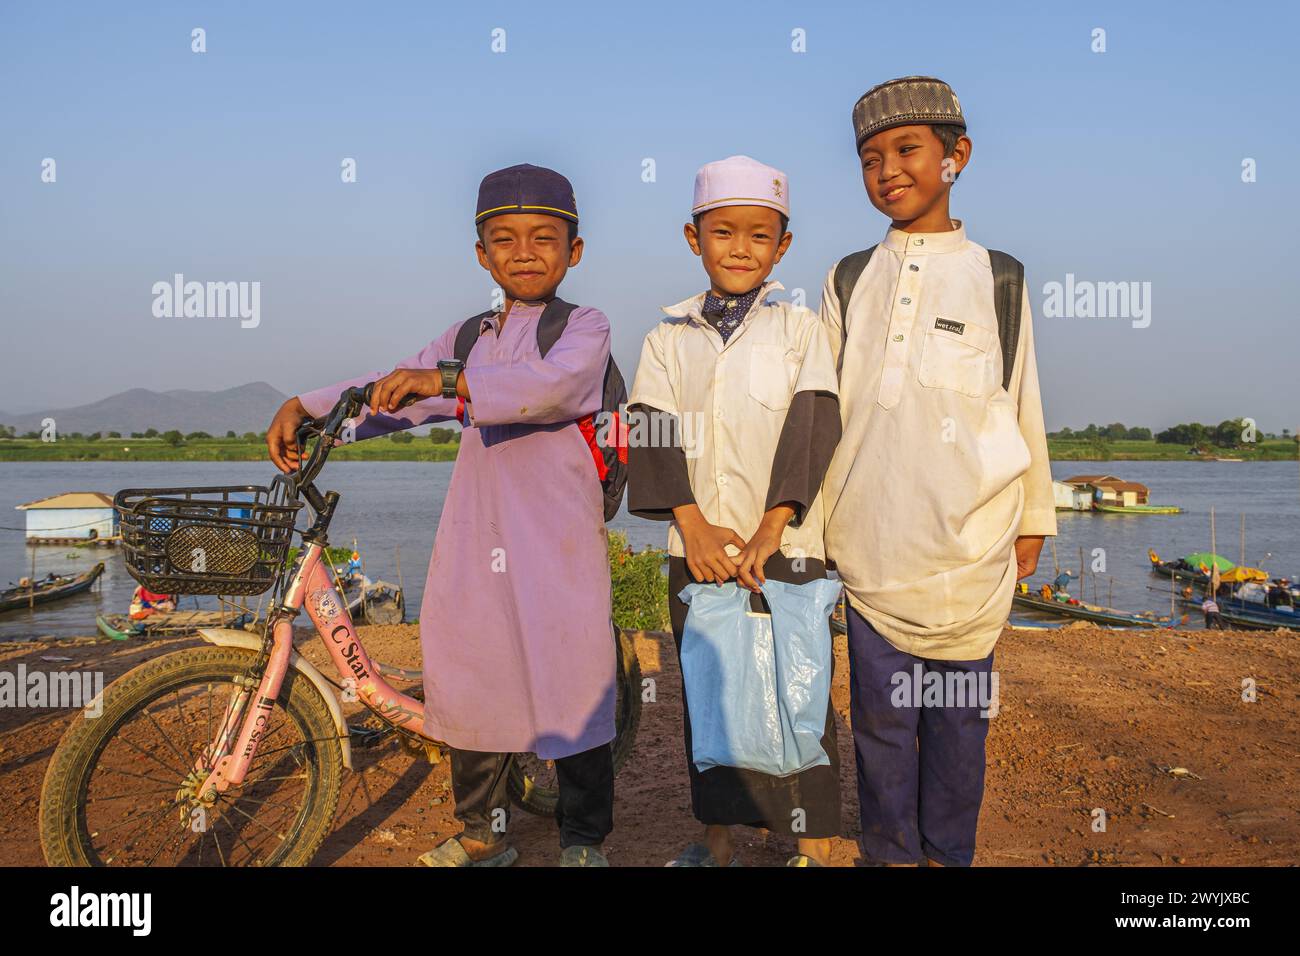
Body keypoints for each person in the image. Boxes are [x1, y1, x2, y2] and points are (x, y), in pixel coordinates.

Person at [266, 164, 616, 868]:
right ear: (481, 253)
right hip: (478, 536)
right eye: (504, 239)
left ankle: (583, 838)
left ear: (573, 251)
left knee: (572, 680)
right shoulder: (468, 336)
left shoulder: (583, 328)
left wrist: (450, 383)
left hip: (559, 541)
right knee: (473, 674)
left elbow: (550, 389)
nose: (524, 252)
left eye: (543, 238)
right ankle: (485, 833)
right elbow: (395, 391)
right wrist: (308, 407)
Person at [819, 77, 1056, 867]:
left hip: (969, 550)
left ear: (956, 157)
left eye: (908, 150)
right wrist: (812, 529)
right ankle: (888, 856)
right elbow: (825, 412)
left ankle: (948, 855)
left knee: (957, 731)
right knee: (882, 728)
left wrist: (1032, 518)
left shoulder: (1000, 278)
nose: (888, 170)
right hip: (872, 548)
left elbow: (1023, 405)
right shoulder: (848, 279)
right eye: (870, 158)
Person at [627, 156, 842, 867]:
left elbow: (812, 426)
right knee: (712, 695)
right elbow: (652, 435)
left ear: (783, 246)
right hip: (700, 550)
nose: (741, 247)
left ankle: (814, 844)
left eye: (759, 234)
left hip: (788, 542)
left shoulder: (801, 331)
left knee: (800, 694)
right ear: (695, 238)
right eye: (724, 232)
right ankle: (719, 844)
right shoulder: (666, 339)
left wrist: (770, 526)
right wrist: (691, 524)